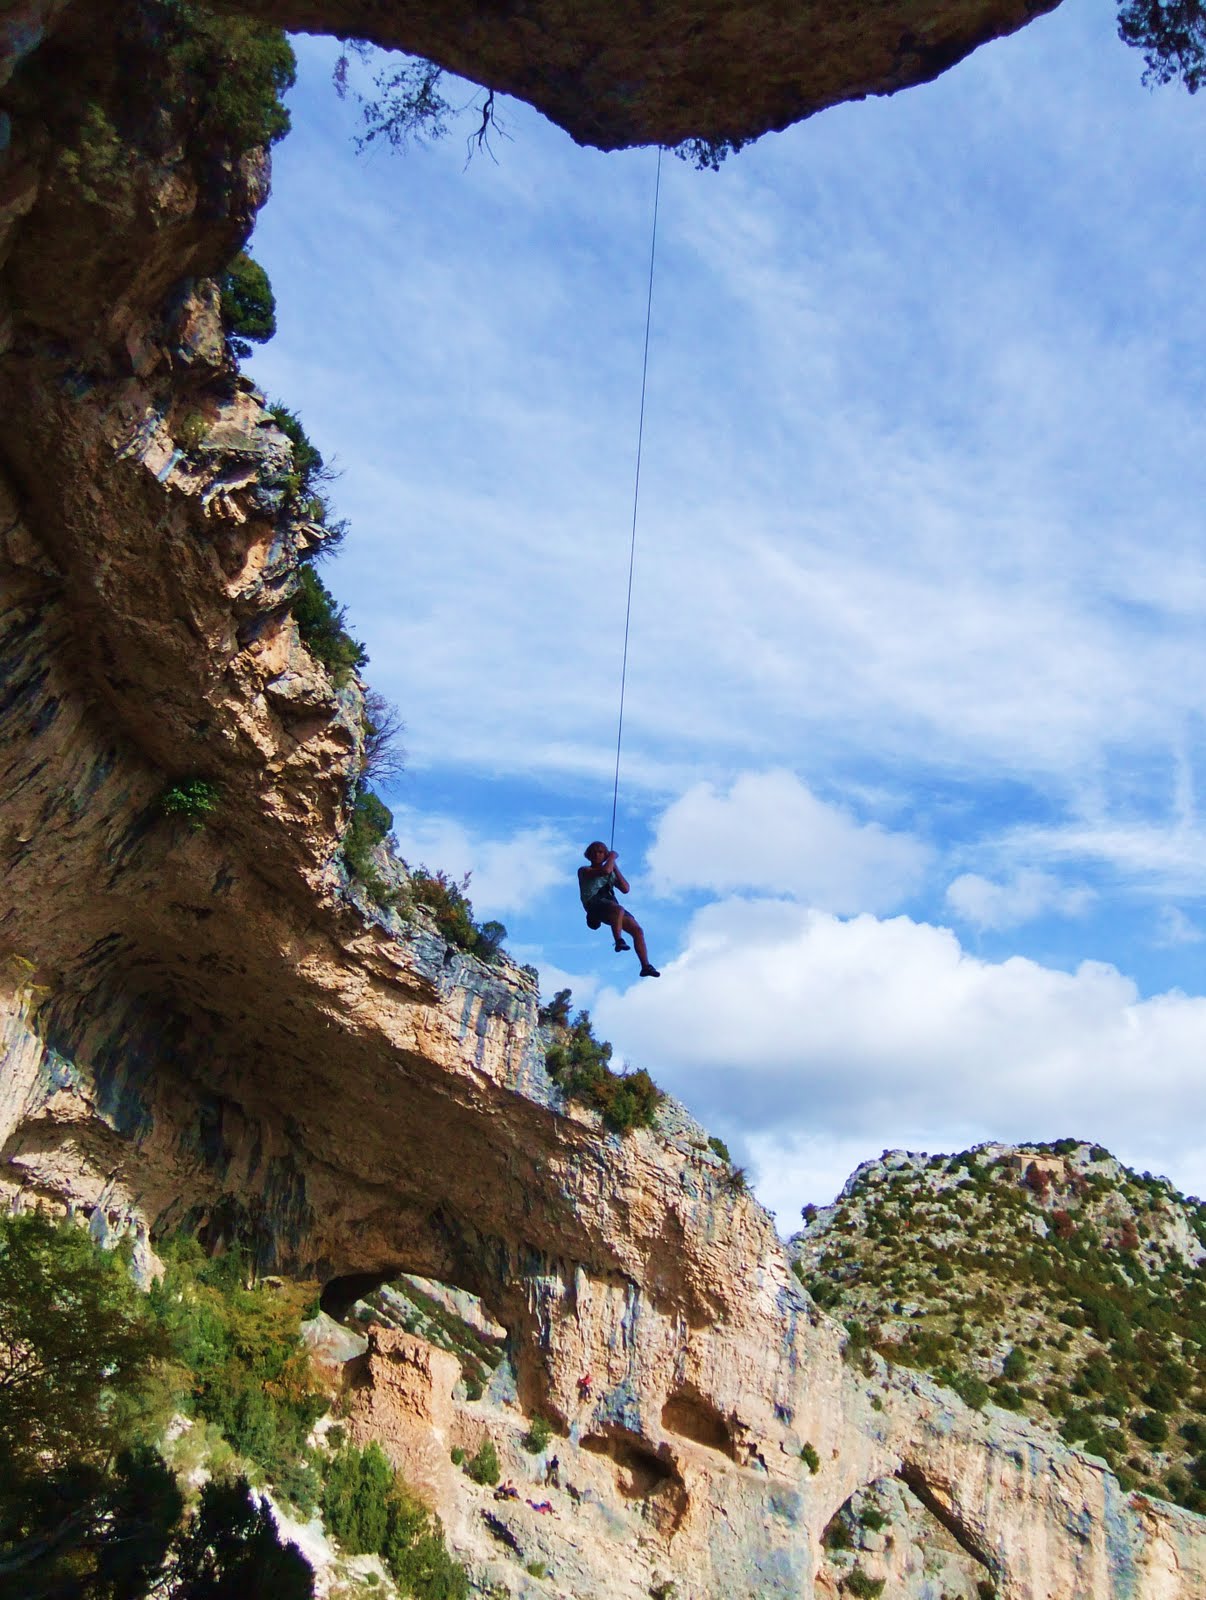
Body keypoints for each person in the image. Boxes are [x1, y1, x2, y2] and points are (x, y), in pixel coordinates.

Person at [578, 842, 659, 977]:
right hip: (594, 903)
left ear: (604, 855)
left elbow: (625, 888)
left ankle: (645, 966)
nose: (597, 855)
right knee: (618, 909)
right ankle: (618, 941)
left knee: (637, 930)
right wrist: (612, 857)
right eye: (595, 852)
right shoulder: (584, 870)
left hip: (609, 905)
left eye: (601, 852)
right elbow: (604, 871)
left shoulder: (610, 871)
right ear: (589, 856)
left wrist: (614, 866)